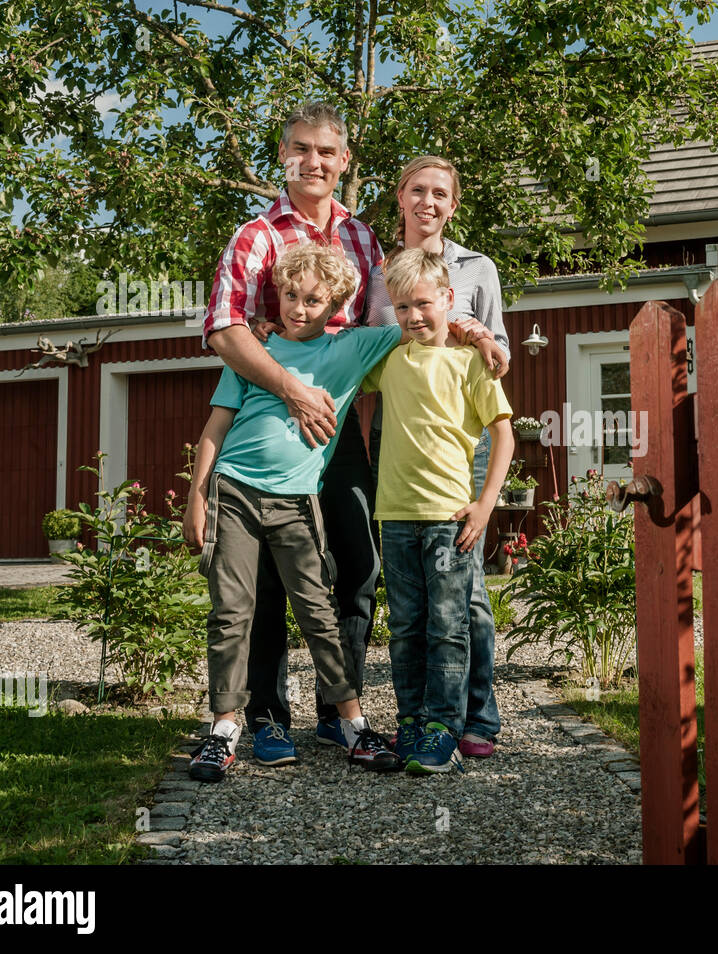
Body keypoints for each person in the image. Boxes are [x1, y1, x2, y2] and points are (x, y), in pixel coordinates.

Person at [202, 102, 505, 766]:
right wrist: (292, 388)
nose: (314, 162)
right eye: (301, 149)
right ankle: (267, 717)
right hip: (272, 427)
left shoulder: (362, 240)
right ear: (284, 155)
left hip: (336, 434)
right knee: (271, 583)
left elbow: (396, 325)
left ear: (344, 162)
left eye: (327, 152)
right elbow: (224, 331)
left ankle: (342, 715)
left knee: (358, 567)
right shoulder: (255, 236)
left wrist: (469, 328)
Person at [185, 244, 408, 781]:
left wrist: (472, 331)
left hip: (296, 501)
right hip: (233, 493)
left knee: (318, 611)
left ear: (335, 303)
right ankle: (223, 729)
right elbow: (215, 428)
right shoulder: (253, 352)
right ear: (277, 294)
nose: (299, 308)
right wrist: (197, 495)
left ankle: (353, 724)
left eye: (313, 300)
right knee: (231, 611)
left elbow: (413, 321)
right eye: (290, 296)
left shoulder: (351, 348)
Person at [365, 156, 511, 758]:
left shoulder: (477, 267)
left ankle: (472, 718)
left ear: (453, 204)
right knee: (415, 610)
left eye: (441, 194)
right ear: (399, 197)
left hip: (459, 444)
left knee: (465, 598)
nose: (428, 201)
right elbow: (360, 348)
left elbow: (497, 352)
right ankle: (423, 717)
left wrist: (474, 335)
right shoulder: (373, 272)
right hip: (397, 446)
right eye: (418, 190)